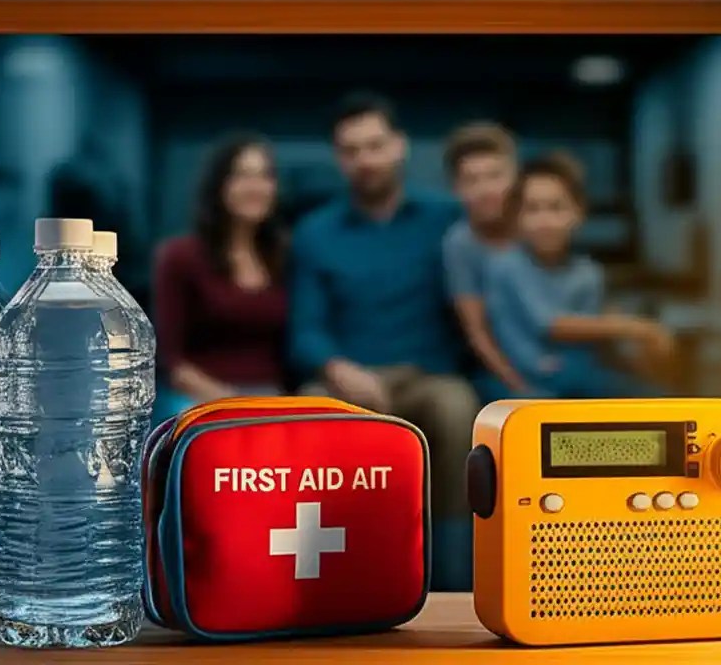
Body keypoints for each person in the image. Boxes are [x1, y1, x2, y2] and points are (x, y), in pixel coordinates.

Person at [288, 92, 479, 591]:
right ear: (338, 158)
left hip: (426, 378)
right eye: (351, 150)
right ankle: (317, 584)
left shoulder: (447, 218)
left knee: (459, 407)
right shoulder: (314, 232)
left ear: (399, 146)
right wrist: (336, 366)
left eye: (375, 145)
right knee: (306, 412)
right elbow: (304, 328)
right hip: (348, 383)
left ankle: (454, 585)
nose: (365, 160)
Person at [485, 151, 673, 398]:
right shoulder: (508, 264)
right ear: (516, 219)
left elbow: (601, 330)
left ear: (578, 213)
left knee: (658, 399)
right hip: (526, 377)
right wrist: (640, 329)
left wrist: (636, 355)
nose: (545, 221)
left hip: (582, 375)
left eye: (556, 208)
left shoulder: (587, 271)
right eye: (532, 209)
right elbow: (551, 325)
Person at [153, 134, 289, 422]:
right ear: (219, 186)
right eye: (242, 176)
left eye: (265, 176)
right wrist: (230, 402)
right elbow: (171, 359)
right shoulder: (179, 256)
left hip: (272, 400)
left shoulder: (283, 256)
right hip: (200, 400)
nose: (256, 187)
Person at [440, 122, 528, 401]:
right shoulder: (460, 244)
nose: (486, 189)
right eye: (472, 180)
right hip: (499, 371)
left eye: (495, 176)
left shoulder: (535, 224)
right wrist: (521, 387)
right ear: (456, 188)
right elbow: (477, 333)